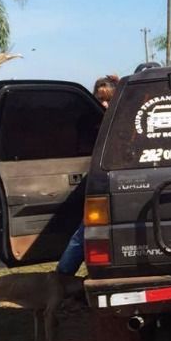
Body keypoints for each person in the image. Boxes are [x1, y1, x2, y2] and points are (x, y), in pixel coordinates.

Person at [56, 75, 119, 277]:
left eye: (109, 98)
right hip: (100, 187)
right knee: (85, 232)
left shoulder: (125, 121)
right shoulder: (89, 125)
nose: (104, 104)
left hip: (123, 186)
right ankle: (63, 276)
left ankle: (65, 275)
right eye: (100, 99)